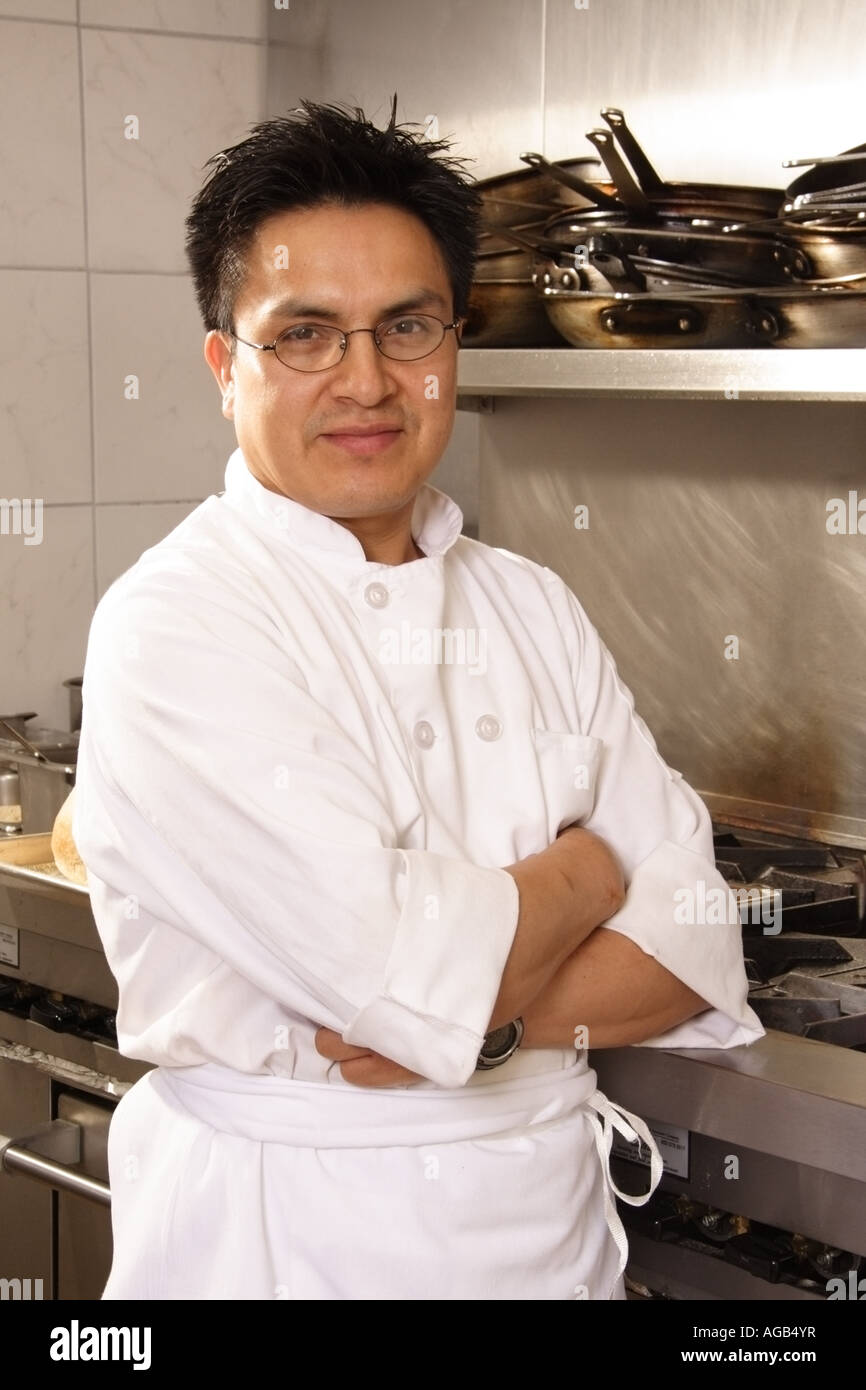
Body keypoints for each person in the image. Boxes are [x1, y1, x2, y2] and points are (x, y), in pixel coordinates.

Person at [74, 99, 763, 1301]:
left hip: (547, 1243)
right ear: (221, 365)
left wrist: (479, 1012)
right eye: (305, 335)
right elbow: (399, 981)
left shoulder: (529, 600)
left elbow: (694, 946)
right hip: (284, 1246)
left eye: (406, 326)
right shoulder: (177, 622)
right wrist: (593, 870)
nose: (367, 381)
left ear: (452, 340)